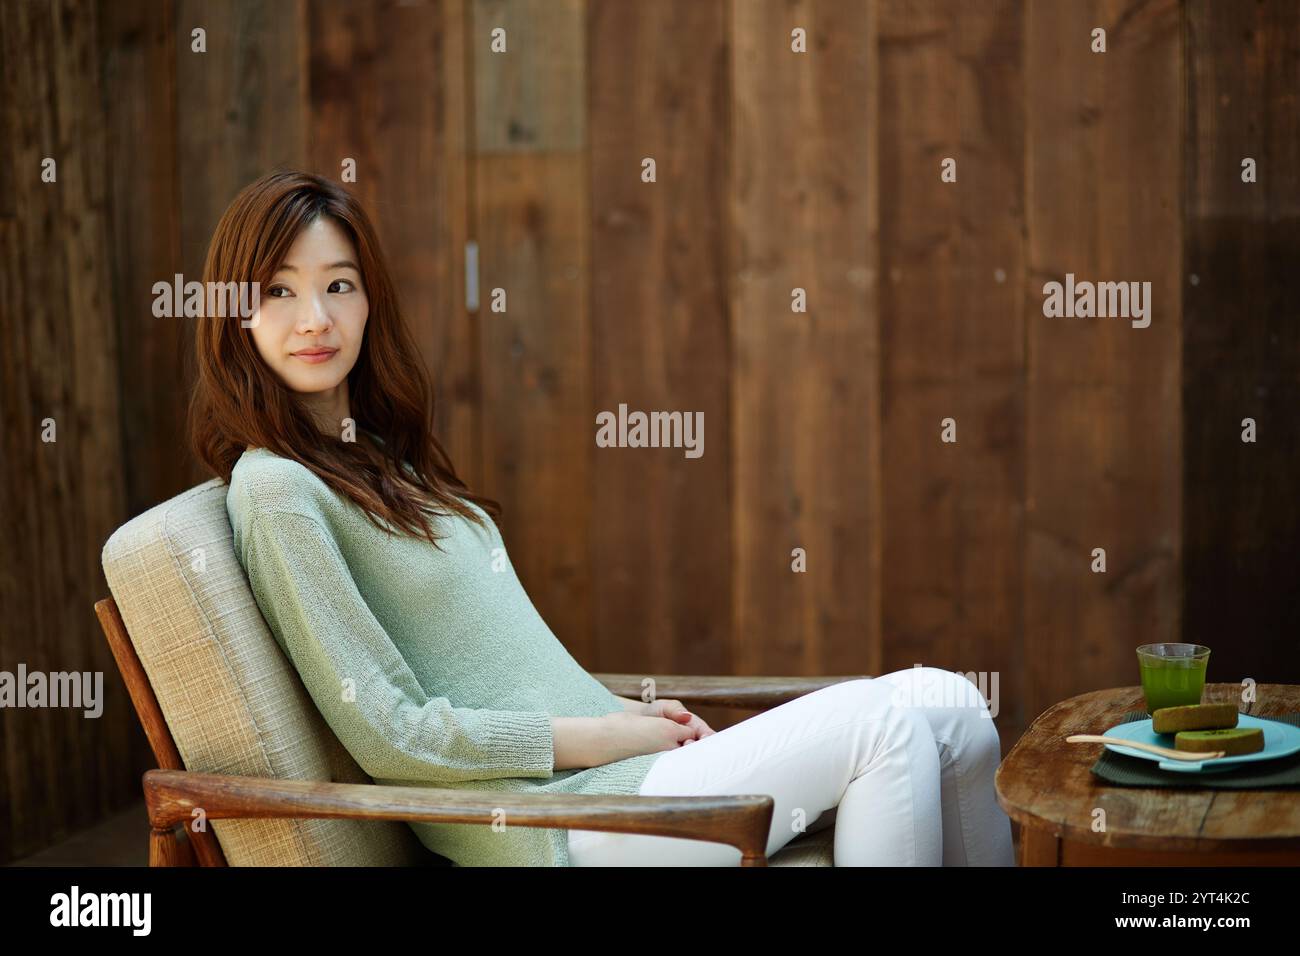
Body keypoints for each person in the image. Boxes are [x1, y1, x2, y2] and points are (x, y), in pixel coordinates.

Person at [190, 169, 1014, 867]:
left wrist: (625, 715)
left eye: (339, 284)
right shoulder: (277, 491)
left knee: (951, 705)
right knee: (881, 726)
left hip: (608, 774)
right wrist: (608, 738)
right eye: (279, 292)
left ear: (370, 301)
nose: (315, 320)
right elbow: (391, 736)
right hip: (547, 826)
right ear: (237, 312)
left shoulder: (376, 458)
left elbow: (501, 663)